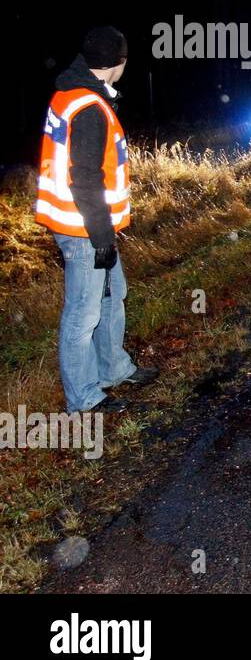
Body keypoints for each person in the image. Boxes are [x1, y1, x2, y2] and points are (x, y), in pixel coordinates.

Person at [34, 27, 158, 414]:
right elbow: (85, 177)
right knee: (83, 313)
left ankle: (114, 369)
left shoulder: (75, 94)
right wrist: (102, 236)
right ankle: (84, 399)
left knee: (111, 295)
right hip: (83, 228)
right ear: (117, 63)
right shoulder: (89, 107)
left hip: (88, 224)